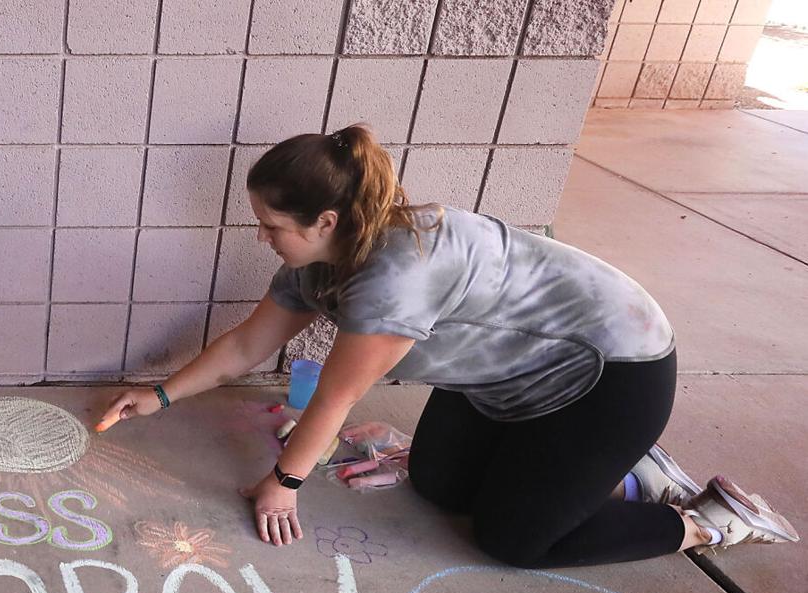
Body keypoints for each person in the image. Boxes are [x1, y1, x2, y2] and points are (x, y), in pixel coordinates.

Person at [99, 124, 797, 568]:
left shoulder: (392, 279)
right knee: (439, 484)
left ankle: (704, 523)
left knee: (515, 539)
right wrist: (157, 395)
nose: (263, 237)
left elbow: (337, 399)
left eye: (272, 225)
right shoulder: (319, 260)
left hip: (611, 374)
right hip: (508, 382)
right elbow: (250, 341)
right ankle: (627, 468)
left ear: (327, 219)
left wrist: (283, 486)